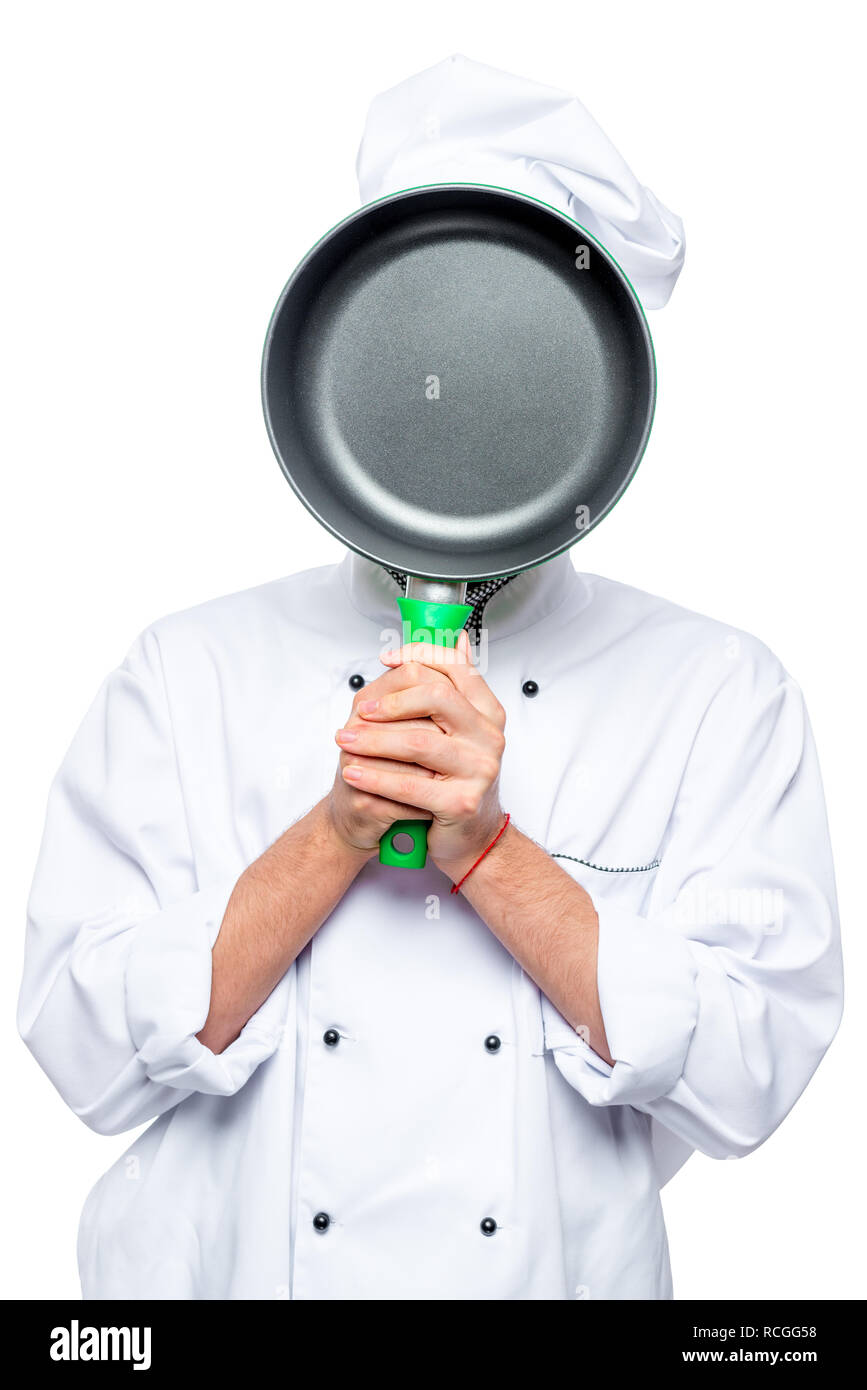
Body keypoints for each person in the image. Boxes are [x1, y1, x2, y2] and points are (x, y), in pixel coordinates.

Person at [19, 56, 842, 1301]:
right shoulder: (185, 671)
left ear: (579, 392)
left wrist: (488, 850)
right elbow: (84, 1058)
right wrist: (342, 825)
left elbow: (747, 1081)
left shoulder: (718, 693)